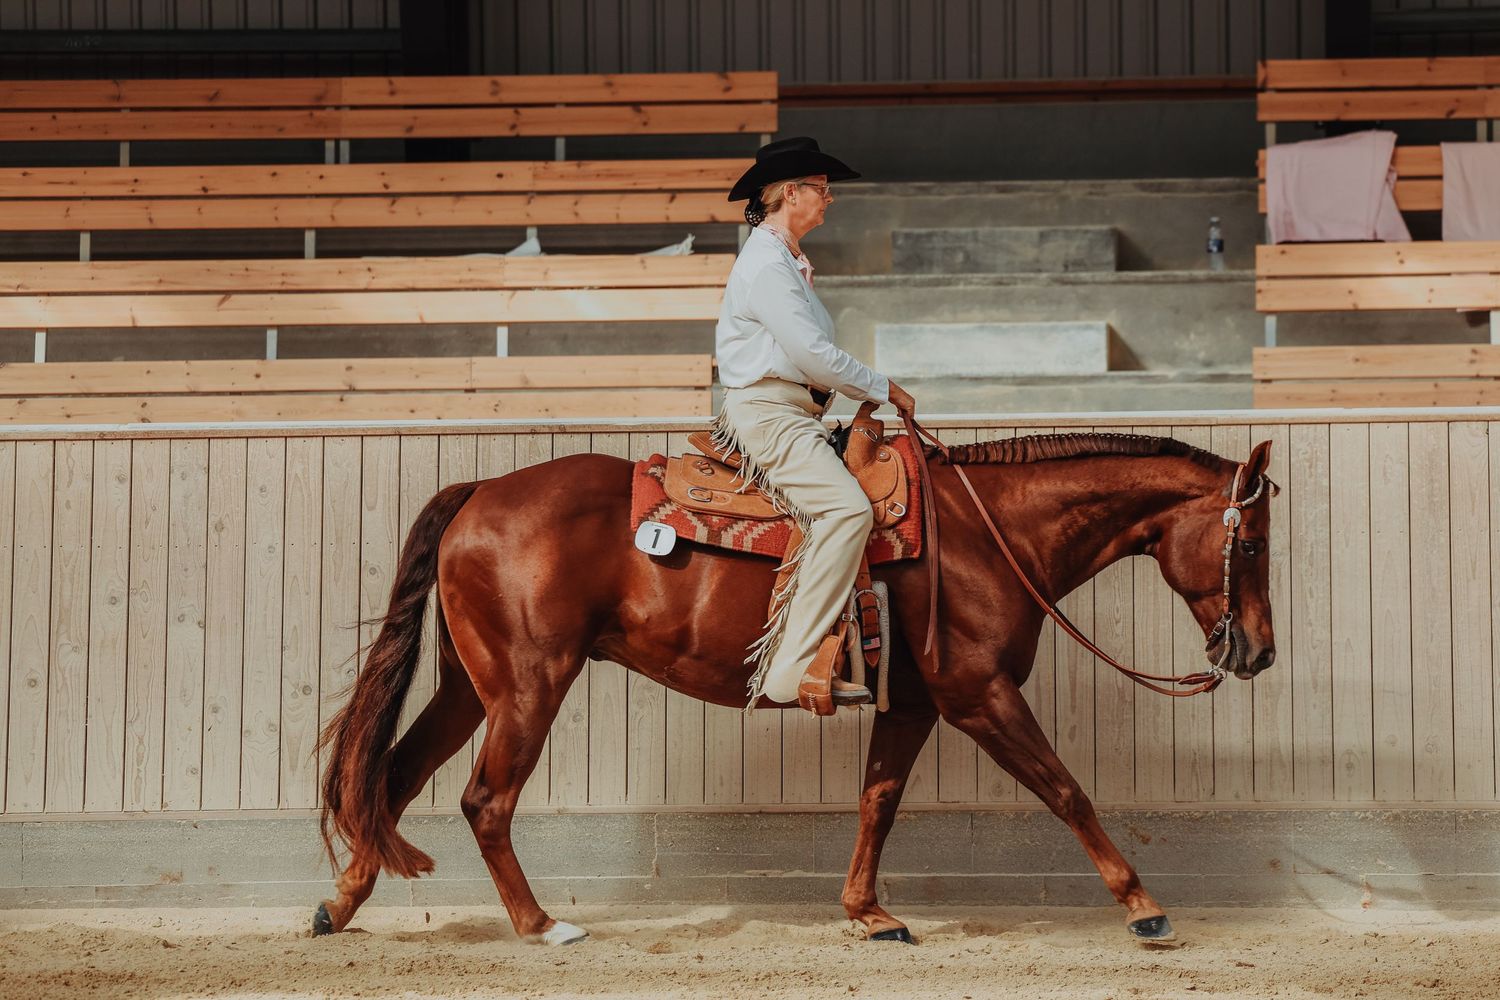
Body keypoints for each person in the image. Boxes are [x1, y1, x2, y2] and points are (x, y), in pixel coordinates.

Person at [711, 136, 917, 711]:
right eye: (823, 190)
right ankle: (791, 669)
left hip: (791, 410)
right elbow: (812, 354)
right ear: (791, 192)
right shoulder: (768, 264)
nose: (830, 200)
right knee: (847, 509)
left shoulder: (782, 260)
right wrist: (883, 387)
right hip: (771, 414)